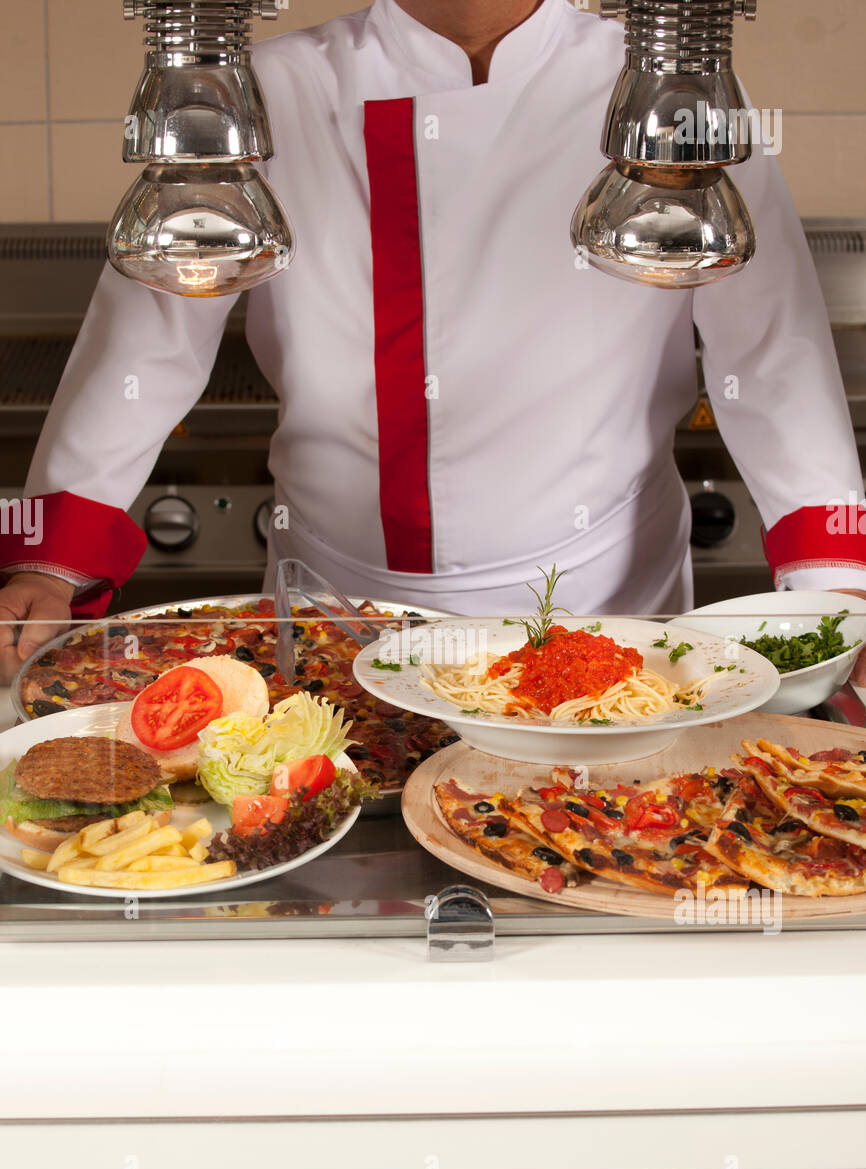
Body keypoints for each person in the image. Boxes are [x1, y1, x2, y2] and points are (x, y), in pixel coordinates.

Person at [1, 0, 864, 683]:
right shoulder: (263, 87)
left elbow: (772, 355)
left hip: (606, 616)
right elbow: (147, 348)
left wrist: (840, 596)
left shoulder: (672, 89)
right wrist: (53, 563)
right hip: (335, 619)